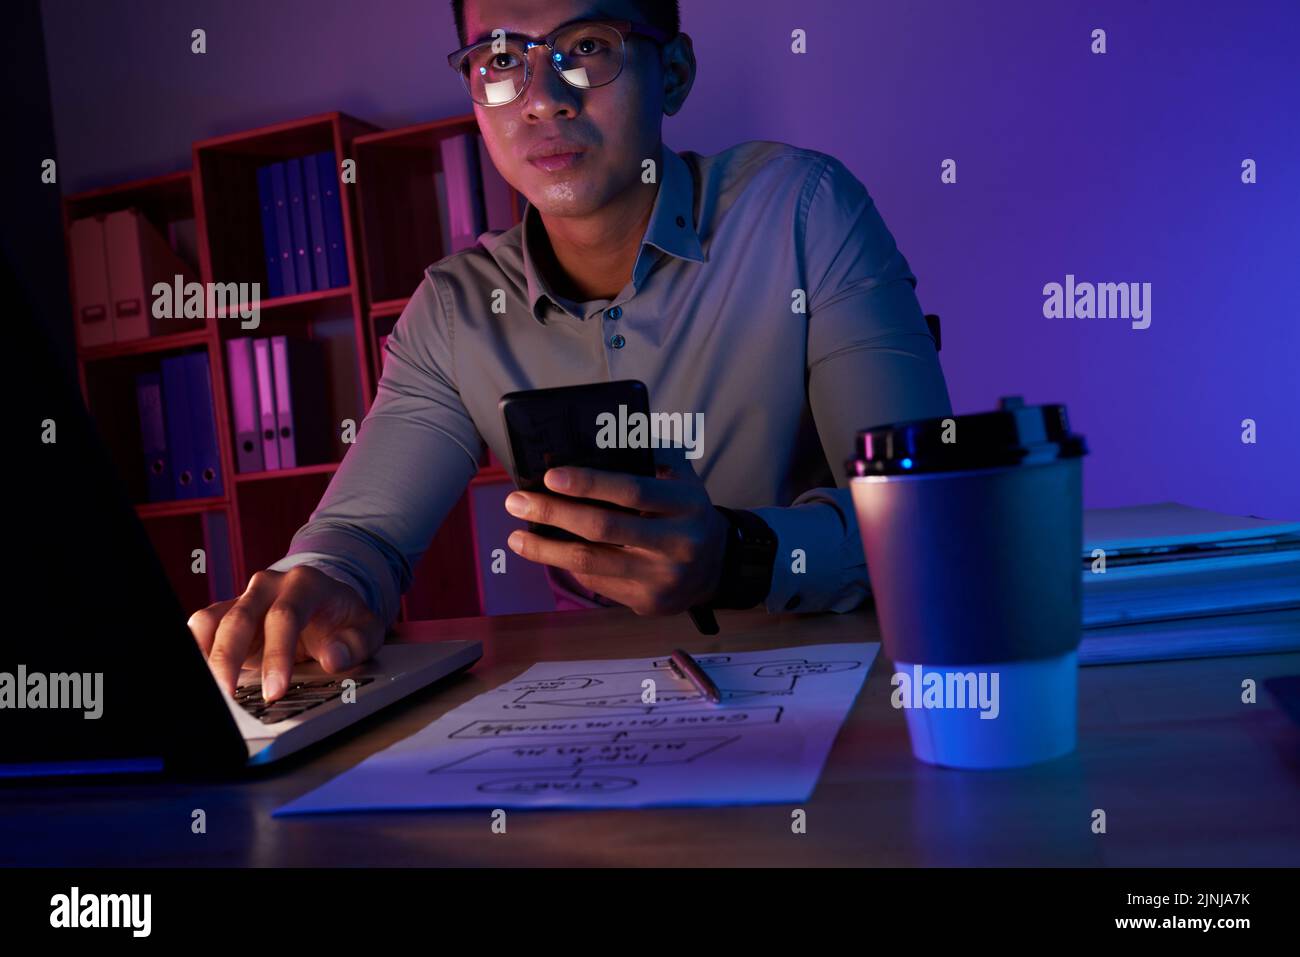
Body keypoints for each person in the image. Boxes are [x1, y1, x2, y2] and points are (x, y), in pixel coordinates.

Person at [188, 0, 952, 704]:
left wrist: (736, 555)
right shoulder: (455, 312)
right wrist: (318, 580)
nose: (542, 97)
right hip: (598, 704)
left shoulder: (802, 211)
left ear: (674, 74)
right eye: (499, 60)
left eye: (586, 47)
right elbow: (363, 536)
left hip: (849, 684)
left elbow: (921, 519)